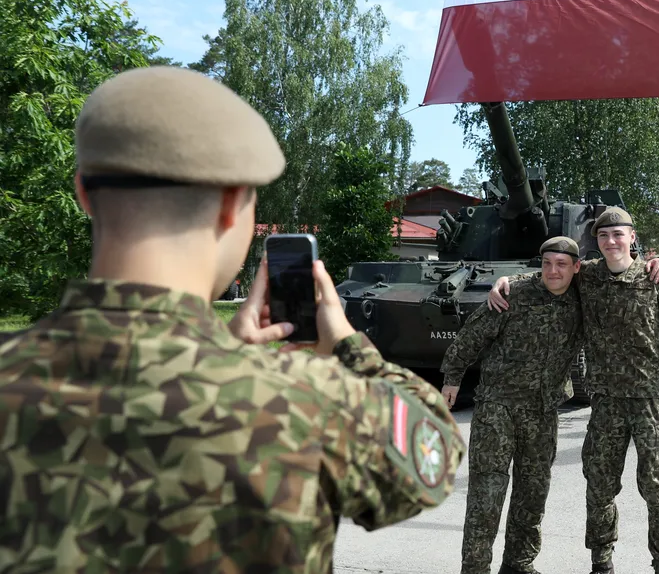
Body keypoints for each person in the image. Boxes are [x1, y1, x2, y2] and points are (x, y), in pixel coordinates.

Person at [0, 66, 465, 571]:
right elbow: (435, 453)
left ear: (84, 194)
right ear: (230, 207)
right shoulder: (309, 399)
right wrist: (347, 345)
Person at [486, 207, 659, 574]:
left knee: (656, 487)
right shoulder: (590, 276)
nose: (611, 241)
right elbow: (554, 275)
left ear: (632, 237)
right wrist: (506, 281)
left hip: (651, 401)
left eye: (618, 234)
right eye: (603, 235)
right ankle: (601, 562)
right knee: (599, 487)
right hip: (606, 403)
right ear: (597, 241)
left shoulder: (656, 279)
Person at [440, 237, 585, 574]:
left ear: (576, 267)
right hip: (498, 407)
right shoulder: (513, 293)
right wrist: (452, 377)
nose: (553, 271)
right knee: (486, 493)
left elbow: (617, 270)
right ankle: (475, 568)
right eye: (547, 263)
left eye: (561, 264)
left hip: (543, 411)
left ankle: (519, 564)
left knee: (533, 492)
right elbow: (472, 335)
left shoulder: (583, 297)